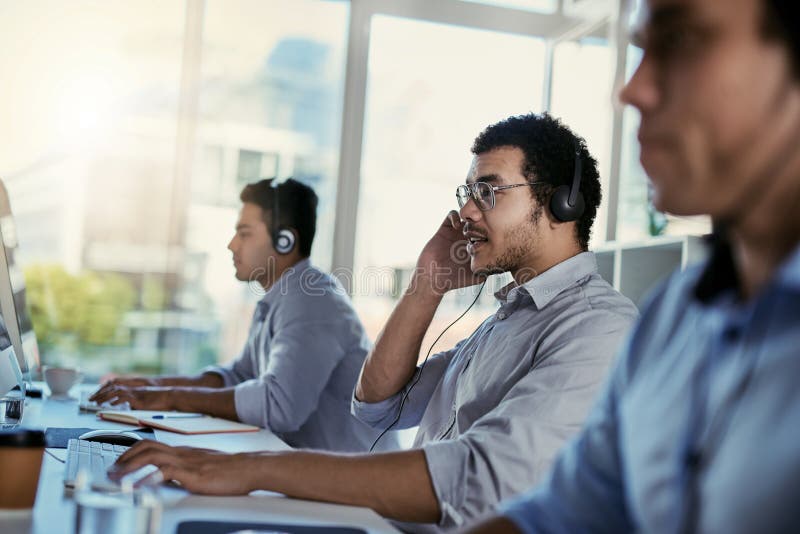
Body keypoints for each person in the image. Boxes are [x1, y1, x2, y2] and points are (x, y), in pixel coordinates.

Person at [109, 113, 637, 531]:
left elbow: (476, 480)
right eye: (467, 194)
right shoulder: (505, 319)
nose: (468, 213)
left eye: (489, 191)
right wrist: (426, 284)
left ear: (562, 203)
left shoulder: (595, 328)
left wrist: (254, 468)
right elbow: (378, 406)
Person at [466, 1, 800, 533]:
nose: (631, 90)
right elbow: (559, 515)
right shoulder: (675, 315)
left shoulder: (603, 324)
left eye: (683, 40)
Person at [91, 178, 397, 452]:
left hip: (351, 499)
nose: (231, 245)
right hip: (308, 477)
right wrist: (151, 387)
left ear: (284, 240)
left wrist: (171, 397)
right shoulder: (282, 298)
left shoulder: (311, 301)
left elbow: (279, 407)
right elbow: (237, 377)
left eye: (244, 234)